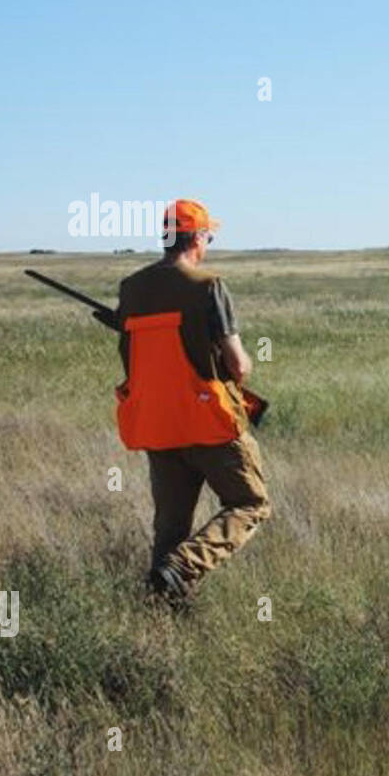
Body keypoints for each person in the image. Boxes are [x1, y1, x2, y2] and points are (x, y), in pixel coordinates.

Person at [114, 199, 271, 606]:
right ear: (197, 238)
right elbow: (237, 366)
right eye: (209, 236)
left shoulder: (131, 289)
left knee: (169, 528)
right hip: (209, 424)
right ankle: (183, 568)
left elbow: (131, 361)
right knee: (250, 504)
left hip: (157, 425)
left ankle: (162, 610)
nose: (209, 244)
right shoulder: (207, 286)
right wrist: (243, 365)